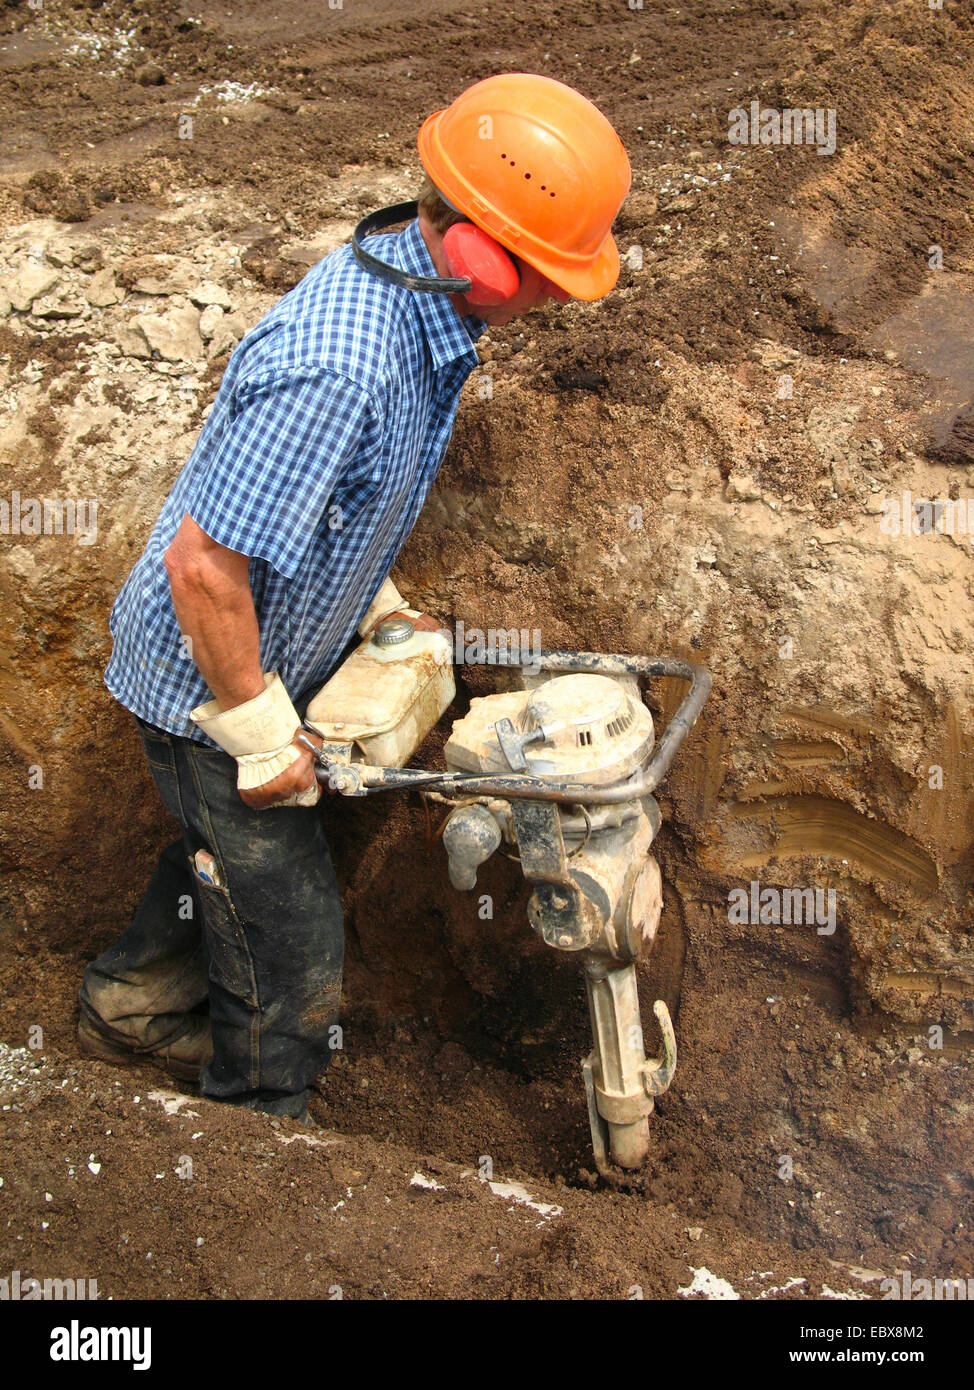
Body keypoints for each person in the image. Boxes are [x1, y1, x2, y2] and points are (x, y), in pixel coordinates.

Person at [78, 73, 631, 1120]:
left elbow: (323, 494)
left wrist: (373, 598)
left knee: (228, 859)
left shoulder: (410, 298)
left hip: (259, 636)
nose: (560, 296)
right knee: (292, 945)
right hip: (206, 676)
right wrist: (253, 732)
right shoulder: (346, 363)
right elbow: (202, 568)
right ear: (477, 255)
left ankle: (130, 1007)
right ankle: (260, 1120)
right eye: (549, 272)